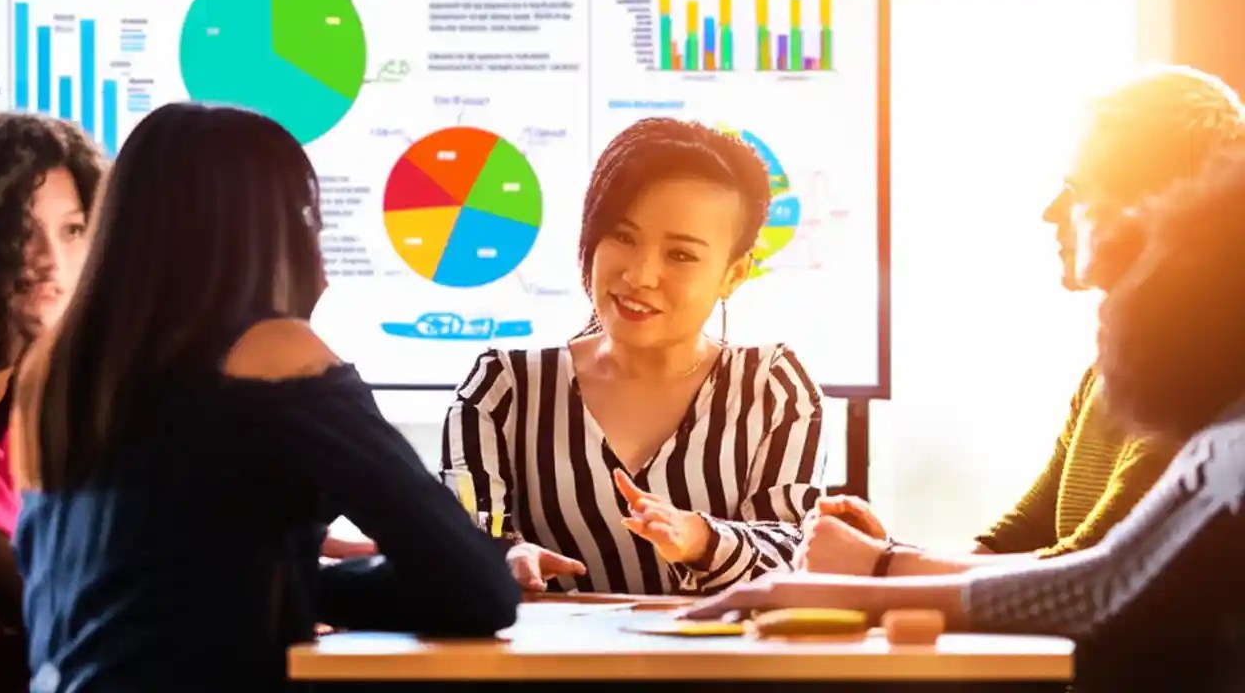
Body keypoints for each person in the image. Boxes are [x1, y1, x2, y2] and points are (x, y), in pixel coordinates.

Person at [684, 143, 1245, 693]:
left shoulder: (1225, 454)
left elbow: (1094, 587)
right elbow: (1056, 555)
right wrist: (890, 563)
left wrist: (872, 577)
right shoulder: (1216, 439)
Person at [9, 103, 520, 692]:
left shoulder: (53, 373)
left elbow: (139, 590)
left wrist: (305, 580)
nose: (323, 272)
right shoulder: (274, 353)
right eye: (307, 221)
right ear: (260, 238)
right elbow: (479, 592)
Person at [799, 65, 1245, 577]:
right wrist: (888, 552)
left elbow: (1086, 574)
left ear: (1155, 205)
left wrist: (885, 566)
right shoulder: (1107, 375)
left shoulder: (1197, 384)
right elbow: (1020, 540)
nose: (1052, 212)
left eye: (1080, 190)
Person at [443, 118, 826, 596]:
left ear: (733, 273)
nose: (641, 275)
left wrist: (700, 539)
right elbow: (459, 537)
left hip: (722, 667)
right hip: (547, 666)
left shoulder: (772, 386)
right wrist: (503, 557)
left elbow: (794, 549)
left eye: (681, 255)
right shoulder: (505, 388)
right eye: (622, 237)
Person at [0, 112, 106, 690]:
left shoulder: (62, 404)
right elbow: (60, 612)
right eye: (23, 230)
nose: (51, 260)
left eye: (73, 230)